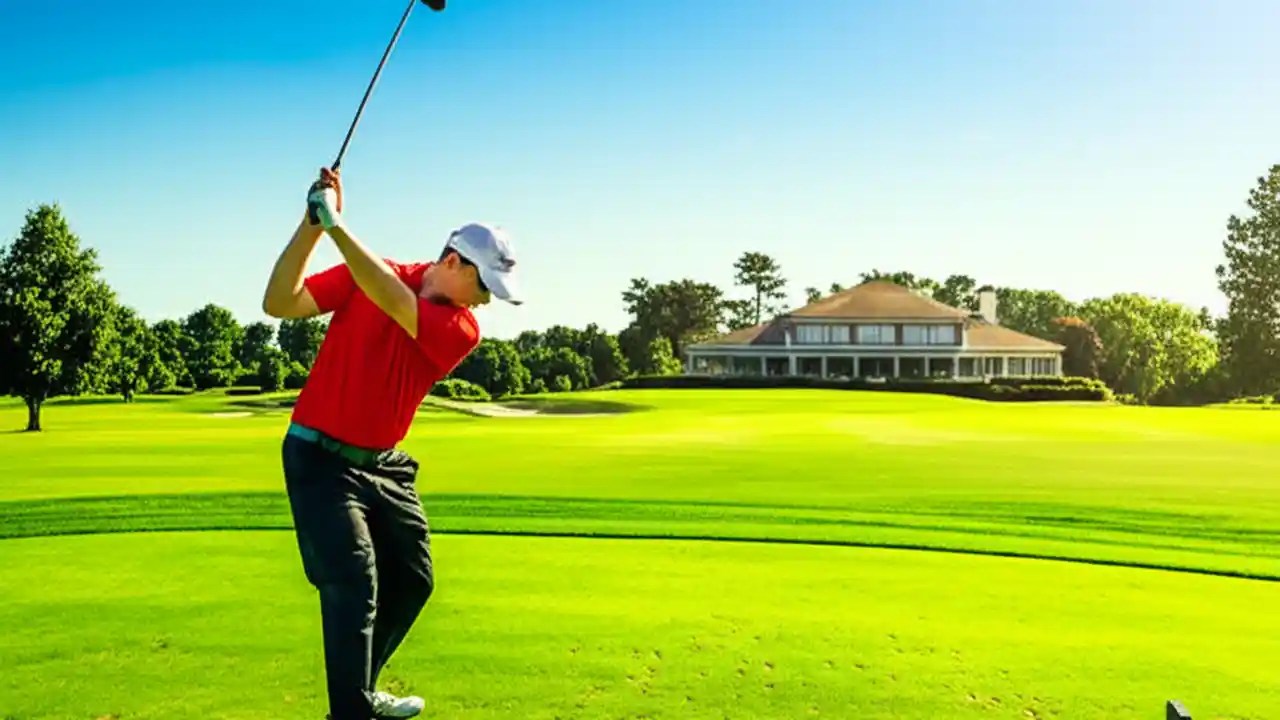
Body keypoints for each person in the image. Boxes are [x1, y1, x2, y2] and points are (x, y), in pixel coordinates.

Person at [261, 167, 521, 719]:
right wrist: (312, 225)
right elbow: (280, 302)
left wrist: (337, 227)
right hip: (318, 458)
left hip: (383, 467)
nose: (486, 302)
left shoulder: (461, 328)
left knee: (413, 579)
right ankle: (351, 713)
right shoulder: (369, 274)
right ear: (453, 261)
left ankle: (360, 693)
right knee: (354, 581)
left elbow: (392, 299)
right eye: (484, 286)